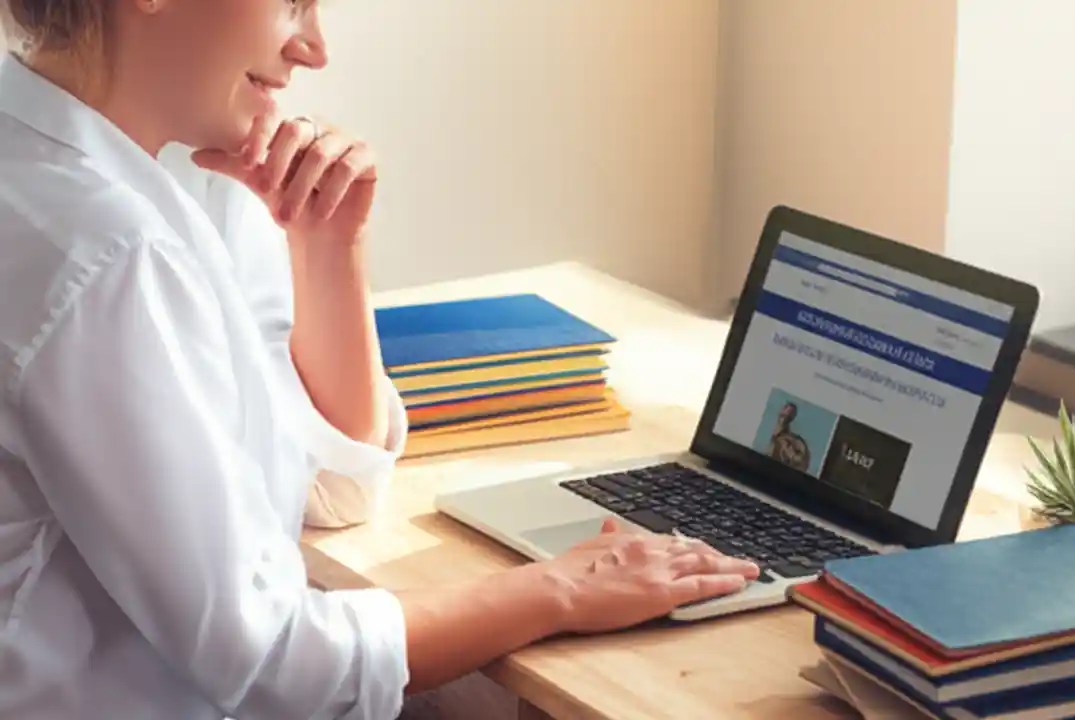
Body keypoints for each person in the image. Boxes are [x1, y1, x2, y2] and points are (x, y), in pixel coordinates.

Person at [0, 1, 758, 718]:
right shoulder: (110, 252)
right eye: (293, 1)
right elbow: (271, 659)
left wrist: (329, 246)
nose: (313, 49)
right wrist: (558, 589)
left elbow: (328, 491)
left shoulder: (156, 175)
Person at [768, 401, 811, 471]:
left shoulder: (794, 441)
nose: (785, 417)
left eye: (788, 416)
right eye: (784, 413)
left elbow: (802, 462)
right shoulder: (773, 435)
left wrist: (791, 455)